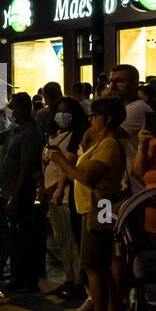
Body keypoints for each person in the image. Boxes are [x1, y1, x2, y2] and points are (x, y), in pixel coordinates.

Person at [49, 94, 127, 311]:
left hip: (100, 207)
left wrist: (60, 160)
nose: (91, 119)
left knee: (95, 265)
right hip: (92, 207)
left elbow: (87, 177)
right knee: (100, 266)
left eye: (95, 115)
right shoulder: (99, 142)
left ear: (107, 118)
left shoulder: (110, 144)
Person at [0, 92, 45, 294]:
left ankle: (29, 279)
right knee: (15, 238)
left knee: (26, 237)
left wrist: (15, 197)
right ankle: (18, 276)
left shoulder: (30, 134)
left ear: (24, 108)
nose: (11, 110)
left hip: (21, 194)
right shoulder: (14, 129)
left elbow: (26, 168)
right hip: (9, 191)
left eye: (13, 107)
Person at [42, 94, 88, 298]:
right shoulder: (52, 134)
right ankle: (68, 277)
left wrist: (58, 189)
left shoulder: (76, 136)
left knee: (71, 239)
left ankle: (77, 280)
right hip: (50, 193)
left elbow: (68, 166)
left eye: (66, 112)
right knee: (60, 239)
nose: (62, 115)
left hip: (64, 193)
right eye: (59, 111)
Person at [109, 64, 152, 193]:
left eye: (120, 81)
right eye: (111, 81)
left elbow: (109, 134)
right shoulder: (123, 108)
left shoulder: (138, 108)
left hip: (140, 186)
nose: (113, 86)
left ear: (135, 83)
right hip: (132, 183)